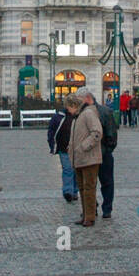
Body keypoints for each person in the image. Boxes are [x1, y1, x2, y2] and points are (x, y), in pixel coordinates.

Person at [79, 87, 118, 219]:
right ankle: (92, 208)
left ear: (88, 98)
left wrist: (107, 150)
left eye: (80, 100)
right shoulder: (82, 112)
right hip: (91, 153)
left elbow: (111, 134)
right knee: (90, 183)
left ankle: (106, 208)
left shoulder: (104, 111)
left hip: (102, 153)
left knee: (104, 182)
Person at [65, 92, 103, 227]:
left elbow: (97, 132)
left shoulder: (88, 114)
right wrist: (71, 150)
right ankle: (85, 214)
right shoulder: (77, 117)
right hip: (79, 159)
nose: (67, 110)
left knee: (89, 188)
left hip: (90, 158)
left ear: (74, 105)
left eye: (68, 107)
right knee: (82, 188)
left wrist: (84, 146)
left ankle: (90, 216)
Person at [47, 101, 78, 203]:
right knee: (68, 169)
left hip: (77, 148)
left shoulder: (78, 116)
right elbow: (51, 131)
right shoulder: (59, 117)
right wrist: (52, 145)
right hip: (63, 148)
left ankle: (74, 191)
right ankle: (68, 191)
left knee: (76, 170)